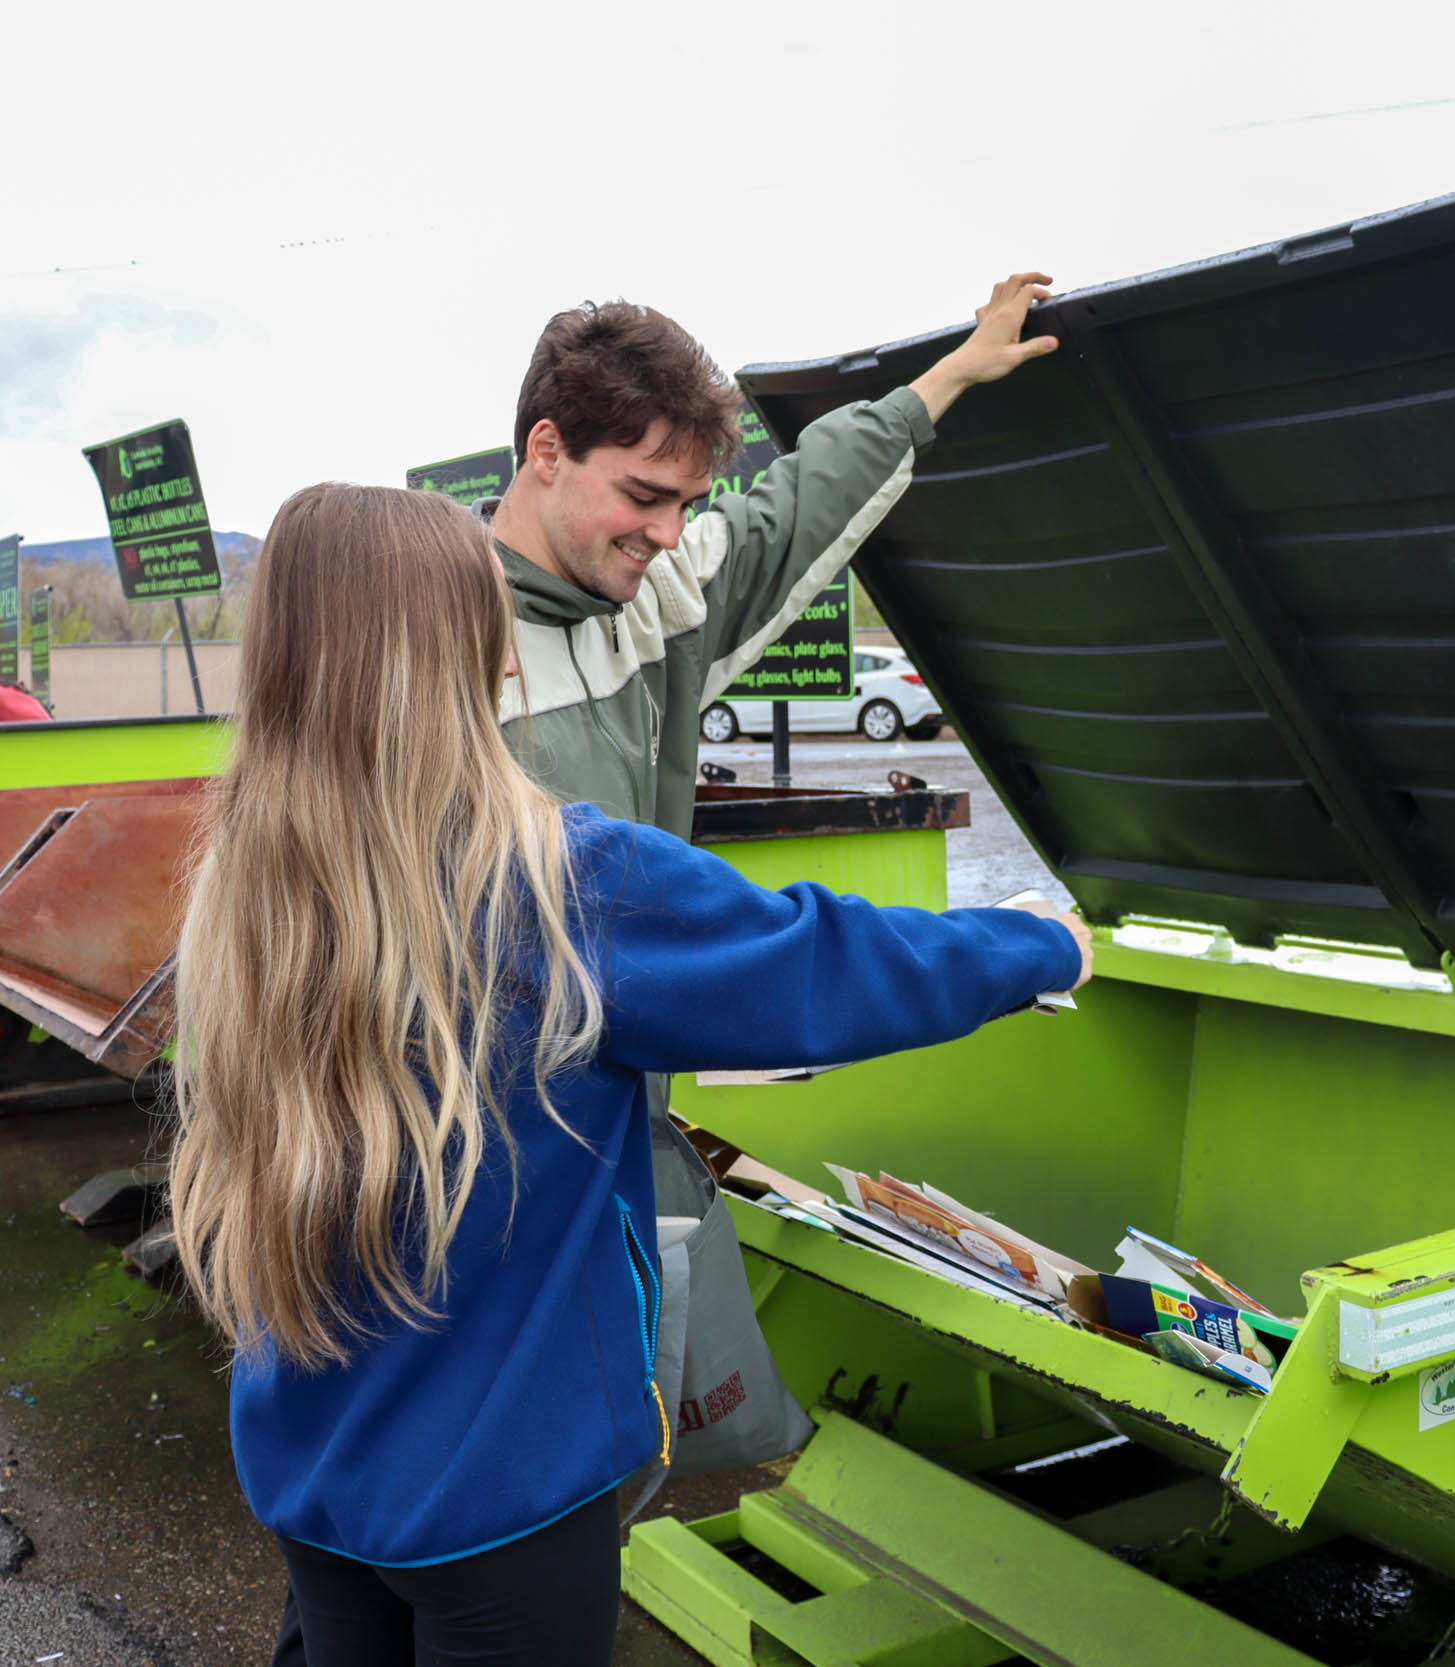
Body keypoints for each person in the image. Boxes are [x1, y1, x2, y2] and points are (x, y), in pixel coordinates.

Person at [170, 483, 1091, 1667]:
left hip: (311, 1460)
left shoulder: (243, 885)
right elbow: (821, 964)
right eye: (490, 626)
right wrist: (1037, 946)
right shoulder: (557, 881)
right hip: (498, 1491)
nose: (510, 659)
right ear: (446, 658)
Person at [489, 271, 1058, 837]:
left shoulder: (663, 597)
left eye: (686, 505)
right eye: (643, 497)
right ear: (548, 451)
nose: (669, 535)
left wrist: (959, 368)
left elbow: (809, 496)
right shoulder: (448, 635)